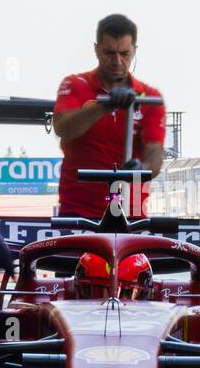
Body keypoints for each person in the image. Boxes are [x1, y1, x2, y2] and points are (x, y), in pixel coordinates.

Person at [52, 14, 166, 220]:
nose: (117, 61)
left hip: (131, 212)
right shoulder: (75, 84)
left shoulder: (150, 97)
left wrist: (142, 169)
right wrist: (104, 105)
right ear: (96, 49)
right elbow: (63, 127)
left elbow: (155, 154)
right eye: (109, 53)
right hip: (79, 211)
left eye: (124, 53)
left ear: (135, 51)